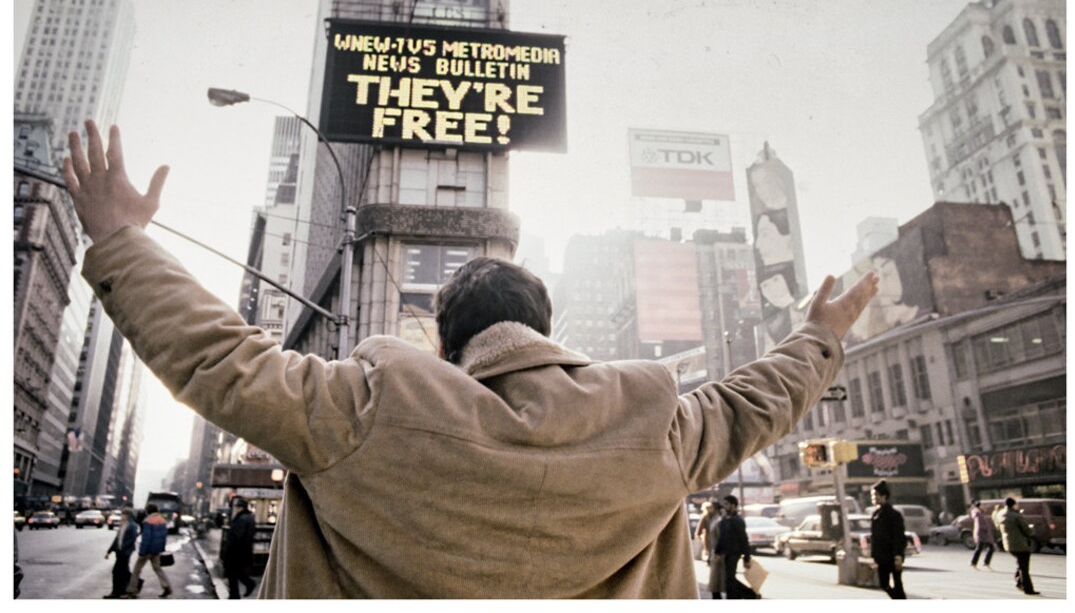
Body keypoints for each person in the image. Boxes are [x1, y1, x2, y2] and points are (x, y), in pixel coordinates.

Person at [62, 120, 879, 598]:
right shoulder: (651, 420)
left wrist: (122, 242)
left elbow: (219, 359)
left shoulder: (365, 407)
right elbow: (753, 402)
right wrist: (821, 337)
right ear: (547, 332)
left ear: (449, 346)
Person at [709, 495, 754, 599]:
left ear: (733, 505)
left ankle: (744, 596)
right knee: (728, 579)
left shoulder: (737, 521)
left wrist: (747, 559)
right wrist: (717, 552)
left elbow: (744, 540)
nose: (724, 506)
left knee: (729, 580)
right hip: (725, 553)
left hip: (734, 554)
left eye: (726, 504)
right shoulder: (725, 520)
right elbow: (722, 538)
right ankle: (747, 595)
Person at [124, 503, 171, 598]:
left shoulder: (148, 521)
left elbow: (146, 539)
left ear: (148, 511)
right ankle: (166, 586)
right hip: (156, 550)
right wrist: (160, 549)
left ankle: (132, 590)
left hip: (147, 550)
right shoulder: (162, 521)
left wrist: (142, 551)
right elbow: (163, 538)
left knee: (137, 569)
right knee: (157, 568)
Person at [869, 479, 906, 599]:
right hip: (881, 557)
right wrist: (874, 556)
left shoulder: (894, 515)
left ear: (884, 496)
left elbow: (898, 536)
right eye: (873, 495)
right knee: (884, 584)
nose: (873, 497)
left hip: (893, 555)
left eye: (876, 495)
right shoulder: (875, 514)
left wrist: (898, 555)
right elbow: (874, 538)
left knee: (898, 585)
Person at [999, 497, 1039, 595]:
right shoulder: (1016, 516)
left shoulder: (1001, 515)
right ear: (1013, 505)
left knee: (1021, 564)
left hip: (1009, 544)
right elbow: (1026, 530)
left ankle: (1019, 582)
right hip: (1021, 544)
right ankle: (1027, 588)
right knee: (1024, 568)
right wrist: (1032, 531)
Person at [224, 498, 257, 599]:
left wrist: (228, 549)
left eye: (237, 507)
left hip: (236, 551)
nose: (236, 509)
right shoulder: (250, 518)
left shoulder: (241, 518)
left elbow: (237, 536)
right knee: (237, 572)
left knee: (232, 573)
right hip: (245, 551)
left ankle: (236, 594)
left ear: (240, 508)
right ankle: (237, 593)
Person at [104, 507, 139, 598]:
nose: (121, 516)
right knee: (121, 572)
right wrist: (109, 551)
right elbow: (117, 539)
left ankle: (120, 592)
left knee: (118, 571)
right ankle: (121, 591)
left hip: (125, 552)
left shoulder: (132, 525)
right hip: (119, 552)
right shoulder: (123, 524)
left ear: (127, 515)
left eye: (122, 514)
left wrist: (124, 550)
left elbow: (131, 539)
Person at [969, 500, 995, 570]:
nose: (984, 506)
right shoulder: (978, 514)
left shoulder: (982, 513)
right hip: (981, 533)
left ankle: (985, 562)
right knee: (979, 548)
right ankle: (974, 563)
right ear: (979, 506)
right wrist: (986, 529)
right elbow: (980, 524)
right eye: (982, 505)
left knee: (990, 548)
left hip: (985, 533)